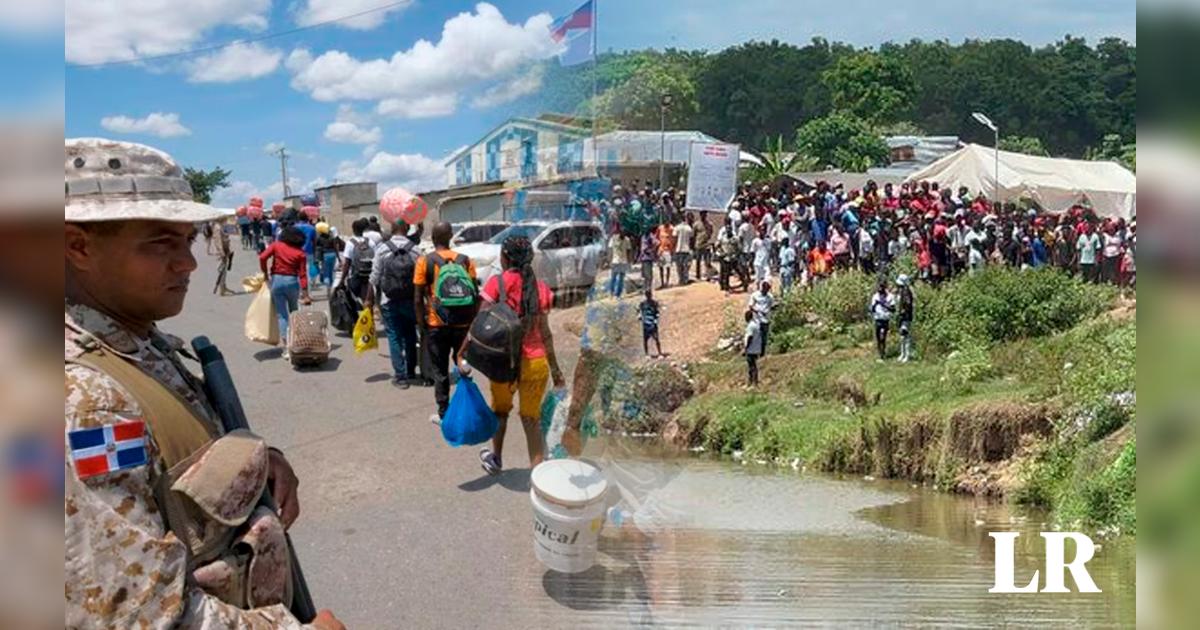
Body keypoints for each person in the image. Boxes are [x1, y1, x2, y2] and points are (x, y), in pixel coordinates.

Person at [64, 138, 344, 630]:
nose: (188, 263)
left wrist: (252, 463)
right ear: (78, 247)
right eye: (161, 243)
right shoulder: (82, 400)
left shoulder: (131, 340)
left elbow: (168, 458)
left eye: (187, 241)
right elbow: (135, 616)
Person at [465, 236, 566, 475]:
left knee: (500, 412)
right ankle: (538, 474)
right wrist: (556, 370)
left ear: (505, 257)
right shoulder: (540, 288)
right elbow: (546, 333)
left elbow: (478, 325)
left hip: (504, 363)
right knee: (531, 420)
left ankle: (497, 459)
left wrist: (462, 355)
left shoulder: (496, 283)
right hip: (536, 362)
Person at [415, 221, 478, 421]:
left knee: (440, 371)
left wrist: (422, 324)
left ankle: (444, 413)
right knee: (463, 365)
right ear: (450, 237)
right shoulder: (466, 261)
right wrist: (471, 323)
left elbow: (417, 297)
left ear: (433, 239)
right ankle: (468, 409)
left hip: (437, 324)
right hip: (462, 324)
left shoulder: (425, 261)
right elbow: (474, 294)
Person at [365, 221, 421, 389]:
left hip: (388, 300)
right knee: (411, 334)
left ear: (392, 229)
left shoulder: (382, 248)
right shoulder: (416, 249)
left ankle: (401, 377)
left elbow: (374, 277)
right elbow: (421, 278)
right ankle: (411, 370)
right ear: (406, 229)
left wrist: (368, 300)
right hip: (410, 300)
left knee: (394, 336)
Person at [260, 226, 313, 359]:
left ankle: (286, 348)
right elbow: (302, 275)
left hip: (277, 281)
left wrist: (265, 274)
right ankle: (297, 343)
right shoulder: (300, 253)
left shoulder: (276, 245)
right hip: (292, 282)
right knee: (294, 312)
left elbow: (262, 257)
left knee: (282, 315)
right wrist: (305, 293)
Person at [341, 217, 375, 302]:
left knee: (355, 301)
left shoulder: (350, 243)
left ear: (353, 230)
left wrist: (342, 280)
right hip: (369, 276)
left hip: (355, 276)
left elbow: (347, 264)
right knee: (367, 300)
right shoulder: (370, 242)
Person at [869, 280, 896, 360]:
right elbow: (872, 309)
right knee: (878, 338)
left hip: (885, 319)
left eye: (881, 287)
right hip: (877, 319)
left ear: (884, 288)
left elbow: (893, 309)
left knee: (883, 337)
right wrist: (873, 307)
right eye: (878, 287)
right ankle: (880, 353)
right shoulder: (875, 296)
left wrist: (882, 304)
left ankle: (883, 354)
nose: (879, 289)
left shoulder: (890, 296)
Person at [748, 280, 776, 352]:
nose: (765, 292)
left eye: (767, 290)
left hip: (766, 319)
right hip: (757, 319)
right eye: (764, 290)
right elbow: (751, 306)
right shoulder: (755, 295)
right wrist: (757, 311)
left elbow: (772, 306)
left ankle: (762, 352)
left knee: (764, 337)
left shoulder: (770, 297)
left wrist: (774, 307)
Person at [313, 221, 340, 289]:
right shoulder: (331, 237)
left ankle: (328, 287)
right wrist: (338, 258)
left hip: (325, 255)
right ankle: (331, 286)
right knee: (331, 271)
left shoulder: (319, 238)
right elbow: (335, 247)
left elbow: (316, 248)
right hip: (333, 254)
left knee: (326, 272)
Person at [639, 288, 663, 357]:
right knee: (645, 339)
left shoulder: (654, 303)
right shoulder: (642, 304)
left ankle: (660, 353)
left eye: (649, 295)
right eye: (647, 295)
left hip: (652, 322)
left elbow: (657, 312)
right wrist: (640, 316)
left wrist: (656, 319)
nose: (648, 296)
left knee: (656, 338)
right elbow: (639, 311)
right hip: (646, 323)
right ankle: (646, 354)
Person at [213, 220, 235, 296]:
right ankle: (222, 289)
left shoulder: (219, 227)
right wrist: (222, 253)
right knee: (222, 270)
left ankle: (224, 287)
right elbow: (218, 241)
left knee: (224, 270)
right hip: (223, 252)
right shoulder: (218, 227)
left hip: (225, 250)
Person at [896, 274, 915, 362]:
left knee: (905, 335)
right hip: (901, 316)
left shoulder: (907, 292)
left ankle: (907, 355)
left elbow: (908, 304)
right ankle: (902, 353)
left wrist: (903, 311)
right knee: (902, 336)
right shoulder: (902, 291)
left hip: (906, 317)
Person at [608, 227, 631, 298]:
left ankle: (618, 294)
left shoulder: (627, 240)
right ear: (619, 233)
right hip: (615, 261)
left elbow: (629, 250)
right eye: (622, 233)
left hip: (623, 261)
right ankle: (611, 292)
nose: (623, 235)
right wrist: (609, 260)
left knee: (621, 279)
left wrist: (629, 261)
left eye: (624, 234)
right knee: (613, 278)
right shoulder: (613, 239)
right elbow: (610, 249)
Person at [743, 309, 763, 386]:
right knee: (752, 366)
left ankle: (753, 383)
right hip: (755, 348)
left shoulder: (750, 326)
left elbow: (750, 337)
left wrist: (746, 348)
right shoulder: (755, 325)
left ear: (747, 317)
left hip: (751, 349)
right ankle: (752, 383)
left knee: (752, 366)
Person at [673, 213, 694, 285]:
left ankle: (680, 280)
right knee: (685, 265)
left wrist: (673, 248)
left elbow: (674, 238)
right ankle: (685, 279)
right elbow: (691, 239)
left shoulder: (676, 228)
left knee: (679, 266)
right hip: (686, 249)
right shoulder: (689, 228)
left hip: (678, 249)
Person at [656, 219, 675, 289]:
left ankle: (667, 282)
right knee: (661, 267)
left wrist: (673, 247)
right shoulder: (660, 228)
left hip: (668, 250)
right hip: (661, 250)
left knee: (668, 266)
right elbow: (656, 237)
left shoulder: (672, 228)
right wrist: (658, 245)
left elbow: (674, 238)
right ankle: (662, 283)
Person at [693, 212, 712, 281]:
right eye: (702, 214)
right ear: (700, 215)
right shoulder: (696, 224)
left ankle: (708, 275)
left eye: (705, 214)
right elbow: (694, 234)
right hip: (698, 244)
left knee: (707, 261)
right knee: (698, 260)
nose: (704, 216)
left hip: (706, 244)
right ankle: (698, 275)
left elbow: (711, 232)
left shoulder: (709, 224)